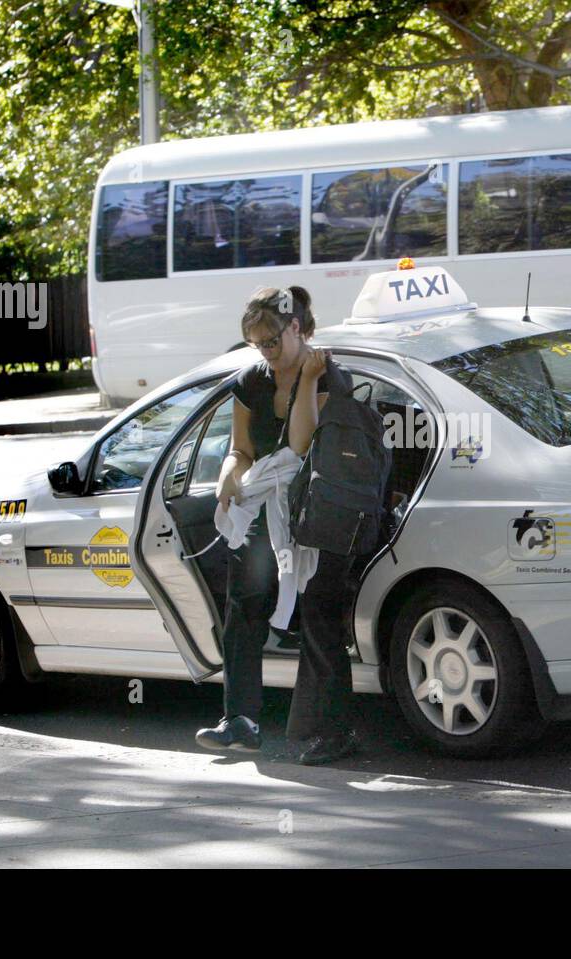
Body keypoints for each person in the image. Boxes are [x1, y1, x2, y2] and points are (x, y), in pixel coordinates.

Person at [195, 285, 344, 755]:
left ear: (296, 327)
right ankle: (239, 718)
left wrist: (304, 380)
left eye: (272, 341)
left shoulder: (325, 375)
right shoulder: (250, 381)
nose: (265, 352)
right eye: (257, 344)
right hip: (266, 508)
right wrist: (227, 473)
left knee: (318, 614)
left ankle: (327, 732)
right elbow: (242, 448)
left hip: (317, 510)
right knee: (243, 606)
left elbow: (301, 445)